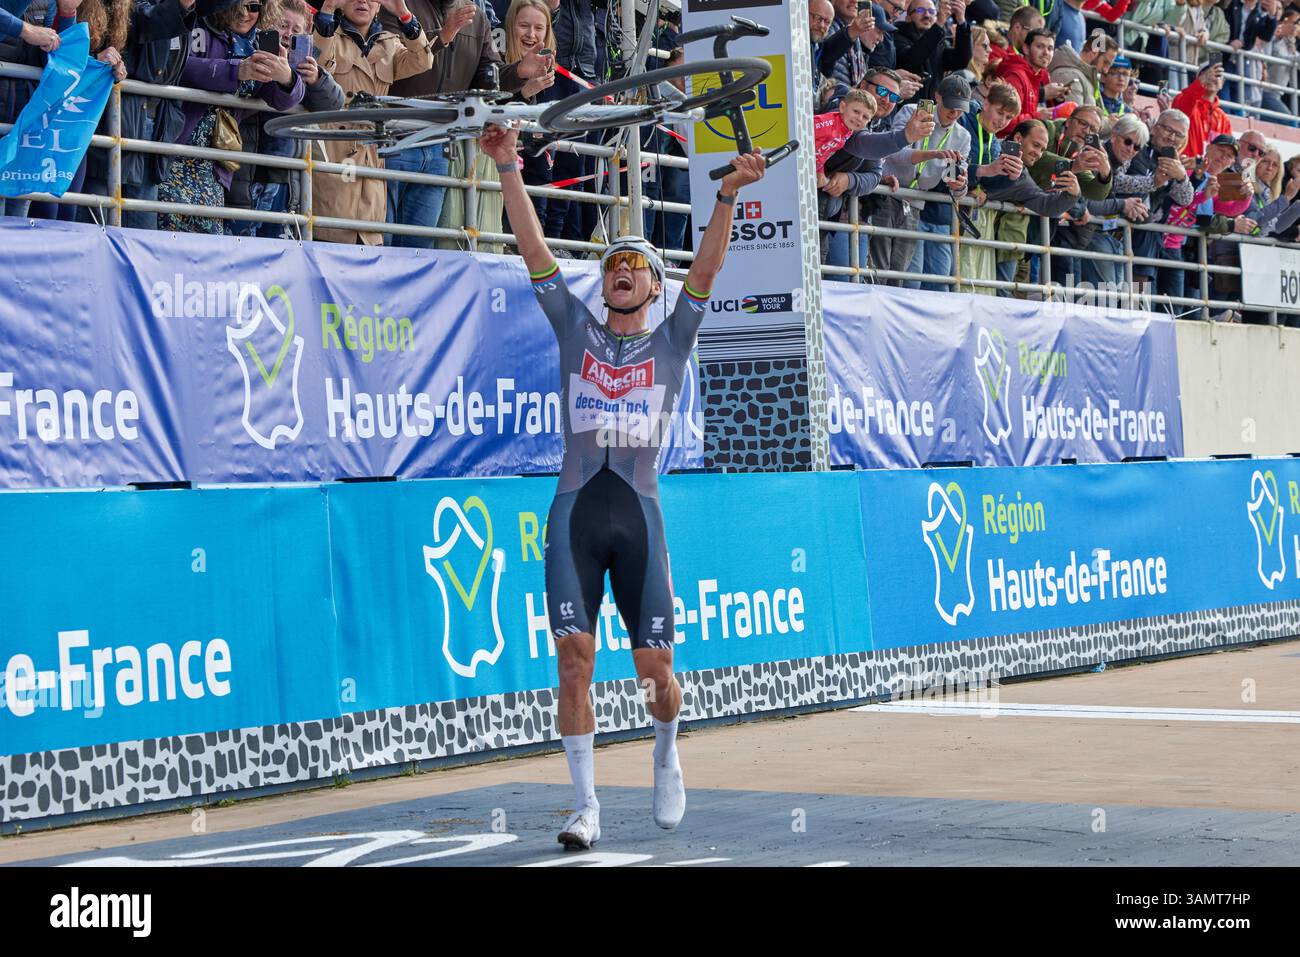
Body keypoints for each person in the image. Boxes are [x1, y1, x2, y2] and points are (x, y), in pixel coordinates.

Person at [478, 120, 766, 850]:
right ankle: (585, 804)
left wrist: (726, 195)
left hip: (639, 516)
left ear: (654, 284)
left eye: (636, 262)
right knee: (574, 657)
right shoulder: (575, 327)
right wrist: (510, 167)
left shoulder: (673, 336)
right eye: (613, 262)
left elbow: (707, 269)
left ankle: (666, 751)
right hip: (575, 512)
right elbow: (535, 252)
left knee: (652, 669)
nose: (622, 269)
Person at [381, 0, 536, 248]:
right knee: (380, 240)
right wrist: (443, 35)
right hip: (394, 139)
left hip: (439, 147)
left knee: (419, 250)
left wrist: (519, 72)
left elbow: (488, 79)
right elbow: (392, 62)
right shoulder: (398, 5)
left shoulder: (478, 17)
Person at [157, 0, 304, 233]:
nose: (244, 13)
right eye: (236, 4)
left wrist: (286, 78)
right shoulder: (194, 23)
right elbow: (174, 65)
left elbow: (284, 100)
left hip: (215, 171)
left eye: (254, 6)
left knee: (205, 254)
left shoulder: (261, 41)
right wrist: (235, 70)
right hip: (172, 158)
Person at [308, 0, 431, 244]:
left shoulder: (389, 43)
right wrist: (328, 8)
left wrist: (404, 15)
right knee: (330, 234)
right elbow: (316, 58)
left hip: (371, 155)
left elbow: (423, 61)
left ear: (379, 5)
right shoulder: (327, 32)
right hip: (334, 149)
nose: (362, 1)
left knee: (369, 240)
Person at [227, 0, 345, 237]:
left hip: (286, 179)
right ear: (267, 23)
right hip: (245, 170)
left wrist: (316, 79)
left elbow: (334, 103)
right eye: (282, 25)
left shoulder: (306, 65)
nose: (288, 34)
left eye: (296, 30)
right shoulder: (246, 49)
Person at [877, 73, 972, 288]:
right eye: (950, 106)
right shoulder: (912, 112)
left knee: (901, 273)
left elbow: (957, 187)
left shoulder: (963, 136)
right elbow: (894, 153)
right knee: (879, 265)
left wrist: (959, 186)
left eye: (960, 108)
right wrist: (934, 154)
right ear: (937, 97)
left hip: (915, 204)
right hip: (888, 193)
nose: (954, 113)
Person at [981, 119, 1081, 295]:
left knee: (1000, 296)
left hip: (1002, 244)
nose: (1039, 154)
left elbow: (1046, 205)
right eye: (1035, 145)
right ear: (1018, 138)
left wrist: (1072, 194)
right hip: (960, 233)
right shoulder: (986, 147)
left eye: (1043, 149)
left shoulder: (1022, 176)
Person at [956, 79, 1020, 292]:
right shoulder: (963, 123)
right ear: (985, 104)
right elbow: (954, 165)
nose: (1003, 121)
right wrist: (980, 176)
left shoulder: (994, 142)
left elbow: (989, 182)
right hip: (948, 212)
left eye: (1009, 117)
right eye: (1000, 112)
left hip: (971, 219)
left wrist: (1011, 176)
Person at [893, 0, 971, 100]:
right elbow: (911, 60)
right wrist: (938, 25)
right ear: (908, 17)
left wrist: (961, 22)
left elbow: (961, 60)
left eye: (931, 11)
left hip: (929, 108)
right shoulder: (897, 35)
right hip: (903, 107)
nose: (927, 15)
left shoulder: (939, 42)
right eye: (920, 10)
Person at [994, 27, 1065, 133]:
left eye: (1050, 48)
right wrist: (1037, 116)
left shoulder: (1041, 74)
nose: (1046, 52)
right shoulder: (1015, 77)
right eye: (1040, 46)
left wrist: (1057, 98)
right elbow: (1003, 123)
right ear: (1026, 49)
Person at [1171, 60, 1232, 161]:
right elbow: (1185, 104)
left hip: (1207, 174)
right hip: (1182, 169)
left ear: (1222, 83)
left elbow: (1228, 152)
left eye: (1217, 75)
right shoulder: (1183, 99)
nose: (1212, 77)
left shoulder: (1224, 119)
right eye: (1207, 73)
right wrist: (1202, 80)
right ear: (1198, 78)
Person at [1049, 27, 1116, 107]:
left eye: (1109, 65)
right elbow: (1076, 116)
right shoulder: (1069, 75)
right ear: (1094, 52)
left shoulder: (1088, 77)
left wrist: (1108, 119)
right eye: (1105, 62)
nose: (1106, 70)